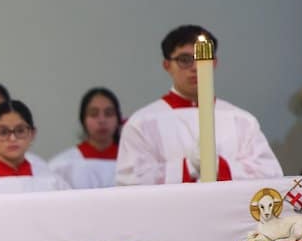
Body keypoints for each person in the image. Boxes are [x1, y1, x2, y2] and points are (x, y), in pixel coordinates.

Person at [115, 24, 282, 185]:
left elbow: (269, 174)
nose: (195, 67)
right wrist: (189, 167)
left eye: (203, 58)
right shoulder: (142, 123)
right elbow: (131, 181)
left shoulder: (242, 120)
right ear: (167, 65)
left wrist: (219, 167)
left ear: (214, 63)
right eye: (185, 60)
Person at [0, 99, 66, 196]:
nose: (12, 138)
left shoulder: (51, 179)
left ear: (32, 133)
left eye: (20, 131)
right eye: (3, 132)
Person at [46, 87, 122, 189]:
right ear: (83, 120)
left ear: (118, 118)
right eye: (94, 114)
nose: (102, 120)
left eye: (108, 113)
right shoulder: (62, 165)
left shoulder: (132, 161)